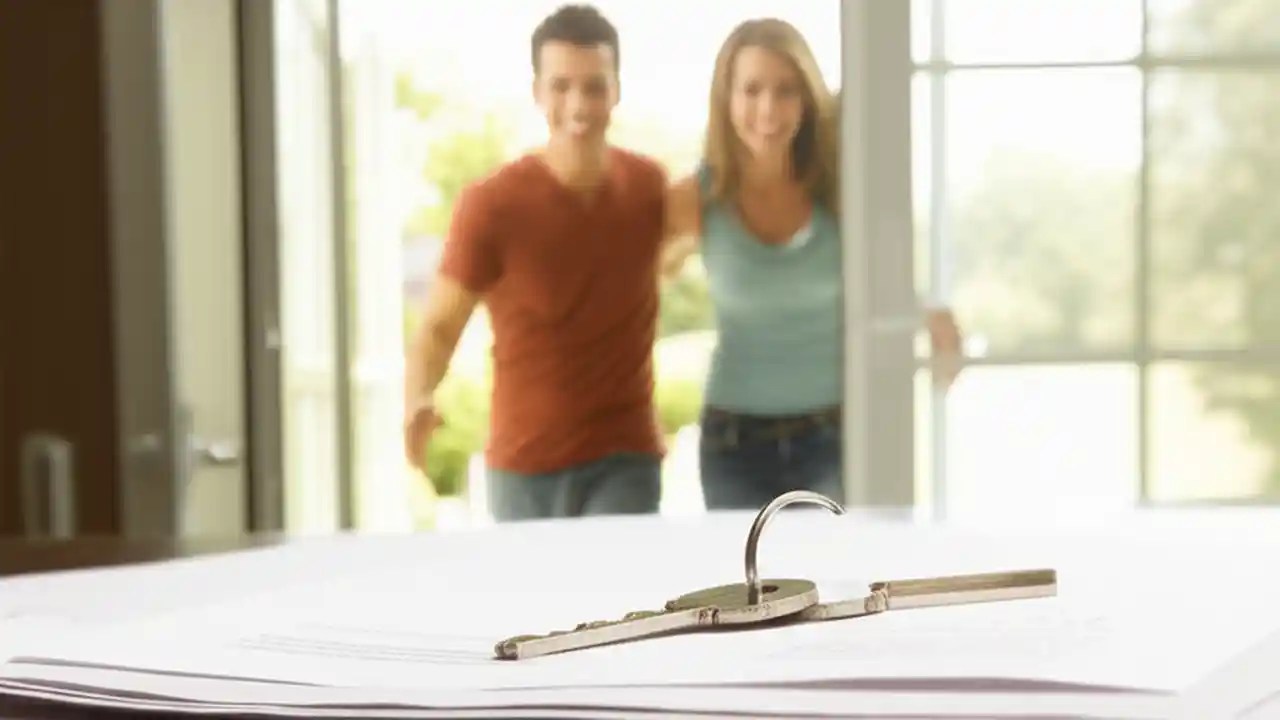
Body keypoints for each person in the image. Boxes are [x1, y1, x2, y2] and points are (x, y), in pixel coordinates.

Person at [661, 18, 962, 510]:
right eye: (752, 90)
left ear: (807, 98)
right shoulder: (696, 198)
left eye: (786, 91)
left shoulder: (840, 188)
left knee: (834, 560)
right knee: (749, 564)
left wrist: (929, 312)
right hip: (732, 443)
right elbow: (636, 296)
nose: (768, 109)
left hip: (831, 436)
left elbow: (880, 284)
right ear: (726, 98)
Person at [402, 5, 668, 522]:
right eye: (561, 86)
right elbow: (440, 326)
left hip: (625, 458)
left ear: (616, 90)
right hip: (524, 468)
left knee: (618, 575)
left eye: (594, 87)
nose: (579, 105)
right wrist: (418, 397)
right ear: (537, 92)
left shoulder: (649, 189)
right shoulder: (492, 204)